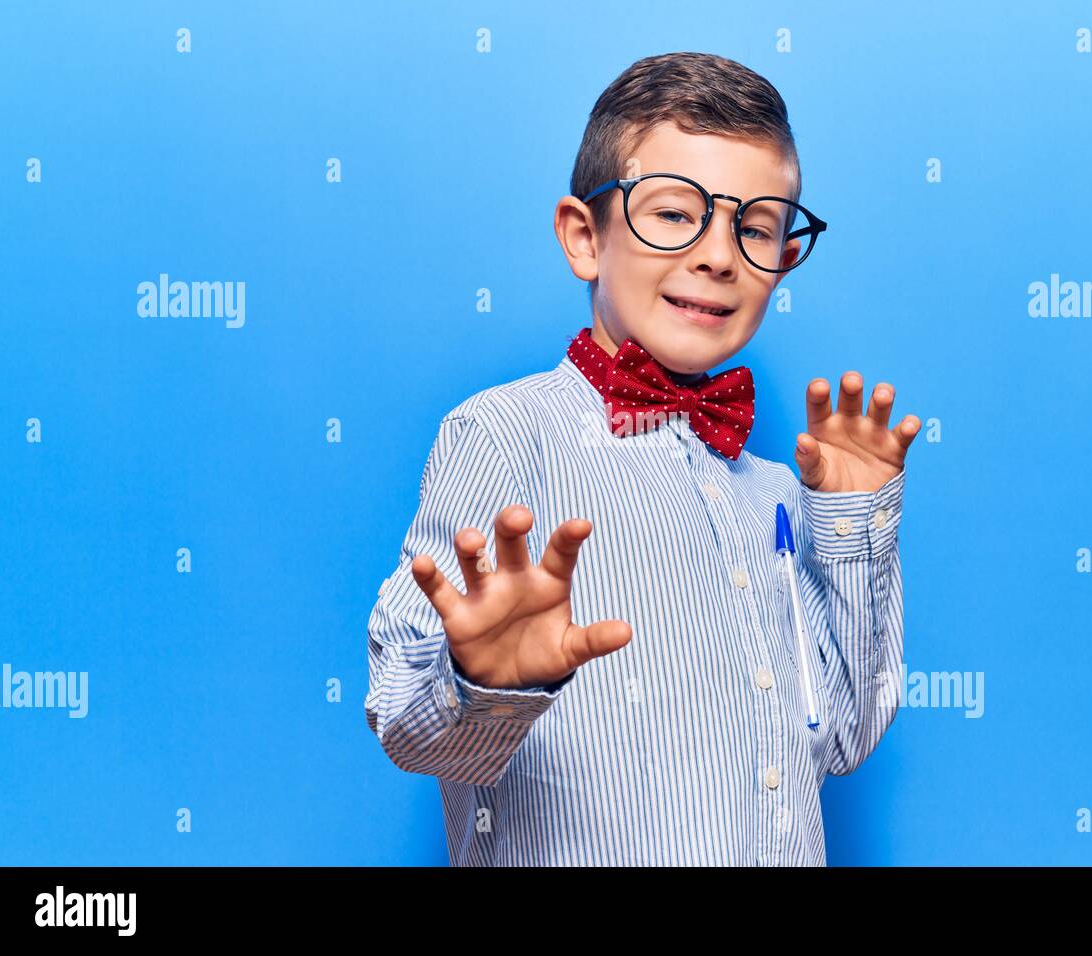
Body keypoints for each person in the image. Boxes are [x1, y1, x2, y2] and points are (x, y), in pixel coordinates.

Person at [364, 51, 920, 865]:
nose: (719, 255)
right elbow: (407, 725)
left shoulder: (772, 489)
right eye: (673, 214)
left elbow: (839, 735)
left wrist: (850, 526)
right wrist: (484, 680)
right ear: (584, 237)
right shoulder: (503, 434)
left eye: (757, 225)